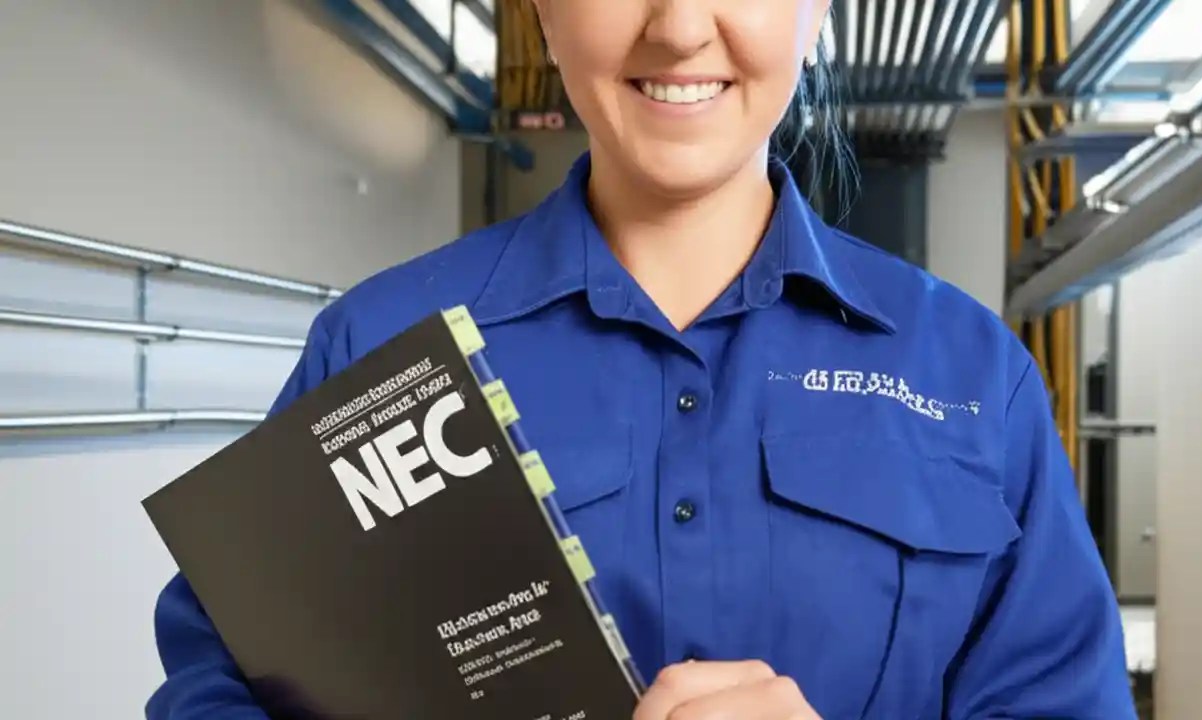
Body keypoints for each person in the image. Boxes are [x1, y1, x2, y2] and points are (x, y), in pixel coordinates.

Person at [146, 0, 1136, 717]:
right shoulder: (376, 345)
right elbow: (226, 685)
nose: (676, 26)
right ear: (538, 12)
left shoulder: (967, 374)